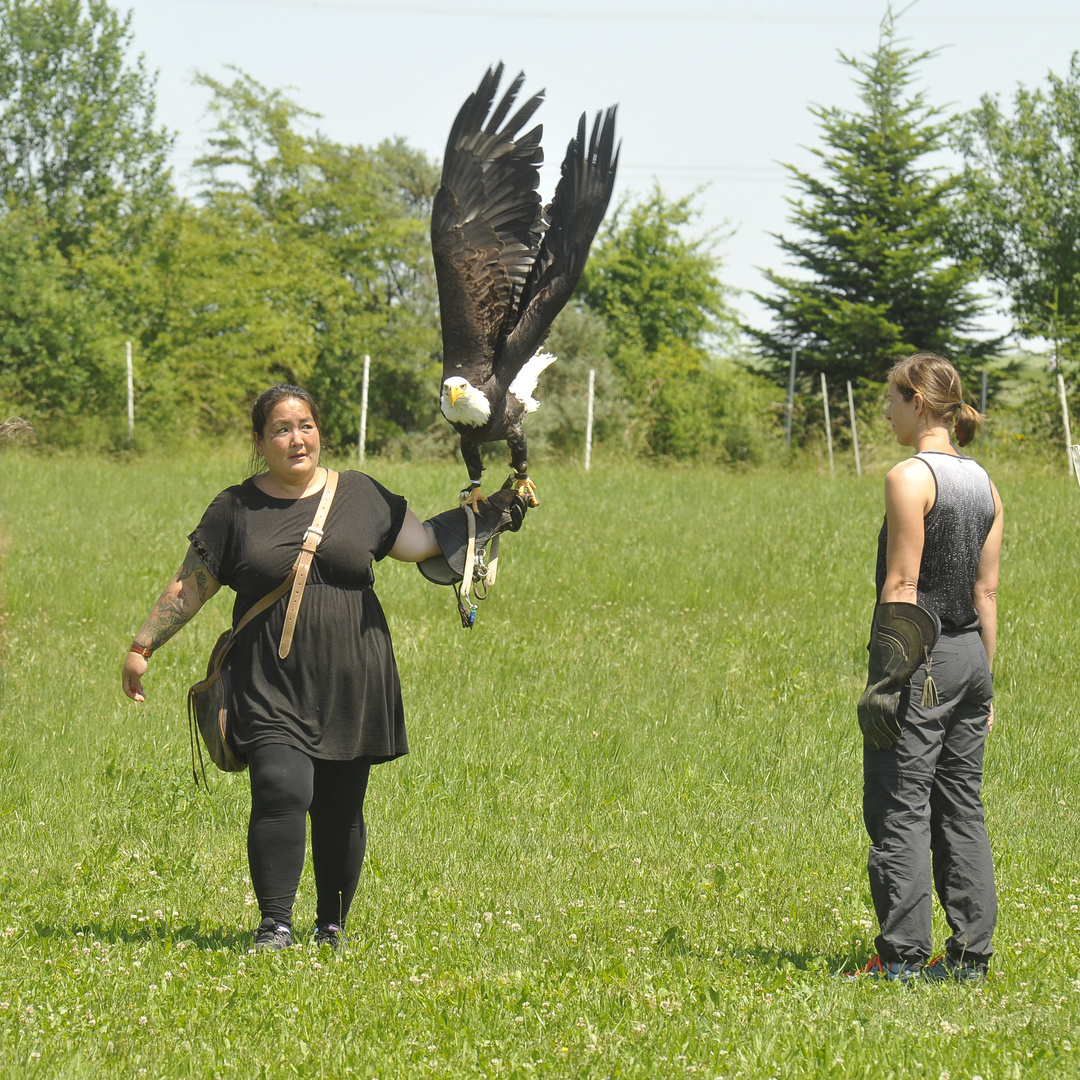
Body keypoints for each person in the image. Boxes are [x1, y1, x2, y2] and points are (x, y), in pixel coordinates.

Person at [122, 383, 523, 952]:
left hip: (352, 678)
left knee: (340, 808)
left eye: (305, 425)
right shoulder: (236, 508)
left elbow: (425, 543)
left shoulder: (360, 495)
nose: (296, 438)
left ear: (319, 431)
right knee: (280, 786)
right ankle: (275, 925)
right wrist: (143, 645)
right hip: (267, 677)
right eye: (281, 429)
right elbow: (191, 584)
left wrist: (490, 516)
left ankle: (330, 926)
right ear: (260, 442)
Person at [851, 352, 1003, 983]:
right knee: (961, 806)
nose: (886, 411)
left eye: (892, 398)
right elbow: (986, 594)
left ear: (918, 401)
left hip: (922, 660)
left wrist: (885, 682)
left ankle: (902, 960)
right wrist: (986, 690)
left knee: (900, 806)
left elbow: (903, 583)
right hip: (971, 659)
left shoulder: (909, 477)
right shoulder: (985, 483)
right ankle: (970, 959)